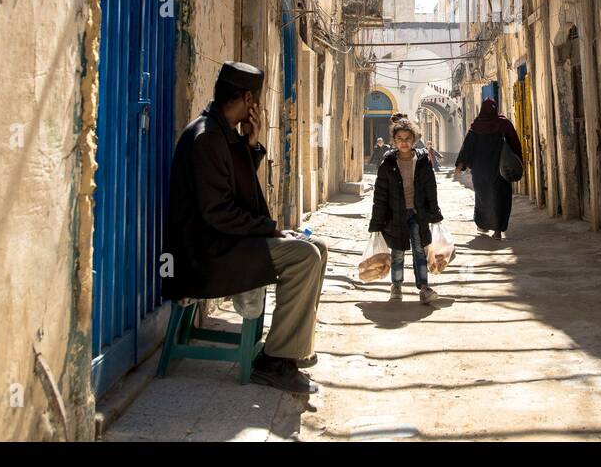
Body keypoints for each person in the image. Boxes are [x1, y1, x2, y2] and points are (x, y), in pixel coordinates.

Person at [162, 61, 329, 395]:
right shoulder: (206, 137)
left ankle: (291, 347)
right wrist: (270, 230)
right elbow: (219, 212)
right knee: (304, 257)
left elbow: (233, 185)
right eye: (257, 100)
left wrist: (251, 145)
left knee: (318, 248)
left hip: (224, 243)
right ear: (248, 99)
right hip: (206, 255)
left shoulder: (221, 132)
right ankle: (275, 361)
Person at [369, 117, 444, 305]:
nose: (404, 142)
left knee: (420, 251)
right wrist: (377, 221)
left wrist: (434, 213)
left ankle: (424, 287)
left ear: (414, 139)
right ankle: (396, 285)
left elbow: (430, 189)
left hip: (418, 215)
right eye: (400, 139)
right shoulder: (387, 164)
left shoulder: (423, 161)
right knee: (397, 252)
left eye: (408, 138)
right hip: (395, 216)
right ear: (394, 141)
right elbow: (380, 194)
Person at [454, 98, 523, 240]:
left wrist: (460, 165)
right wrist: (518, 164)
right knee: (500, 199)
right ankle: (498, 230)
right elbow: (515, 144)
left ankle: (483, 224)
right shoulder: (504, 124)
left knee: (483, 198)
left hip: (480, 172)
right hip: (500, 170)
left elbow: (467, 147)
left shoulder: (476, 126)